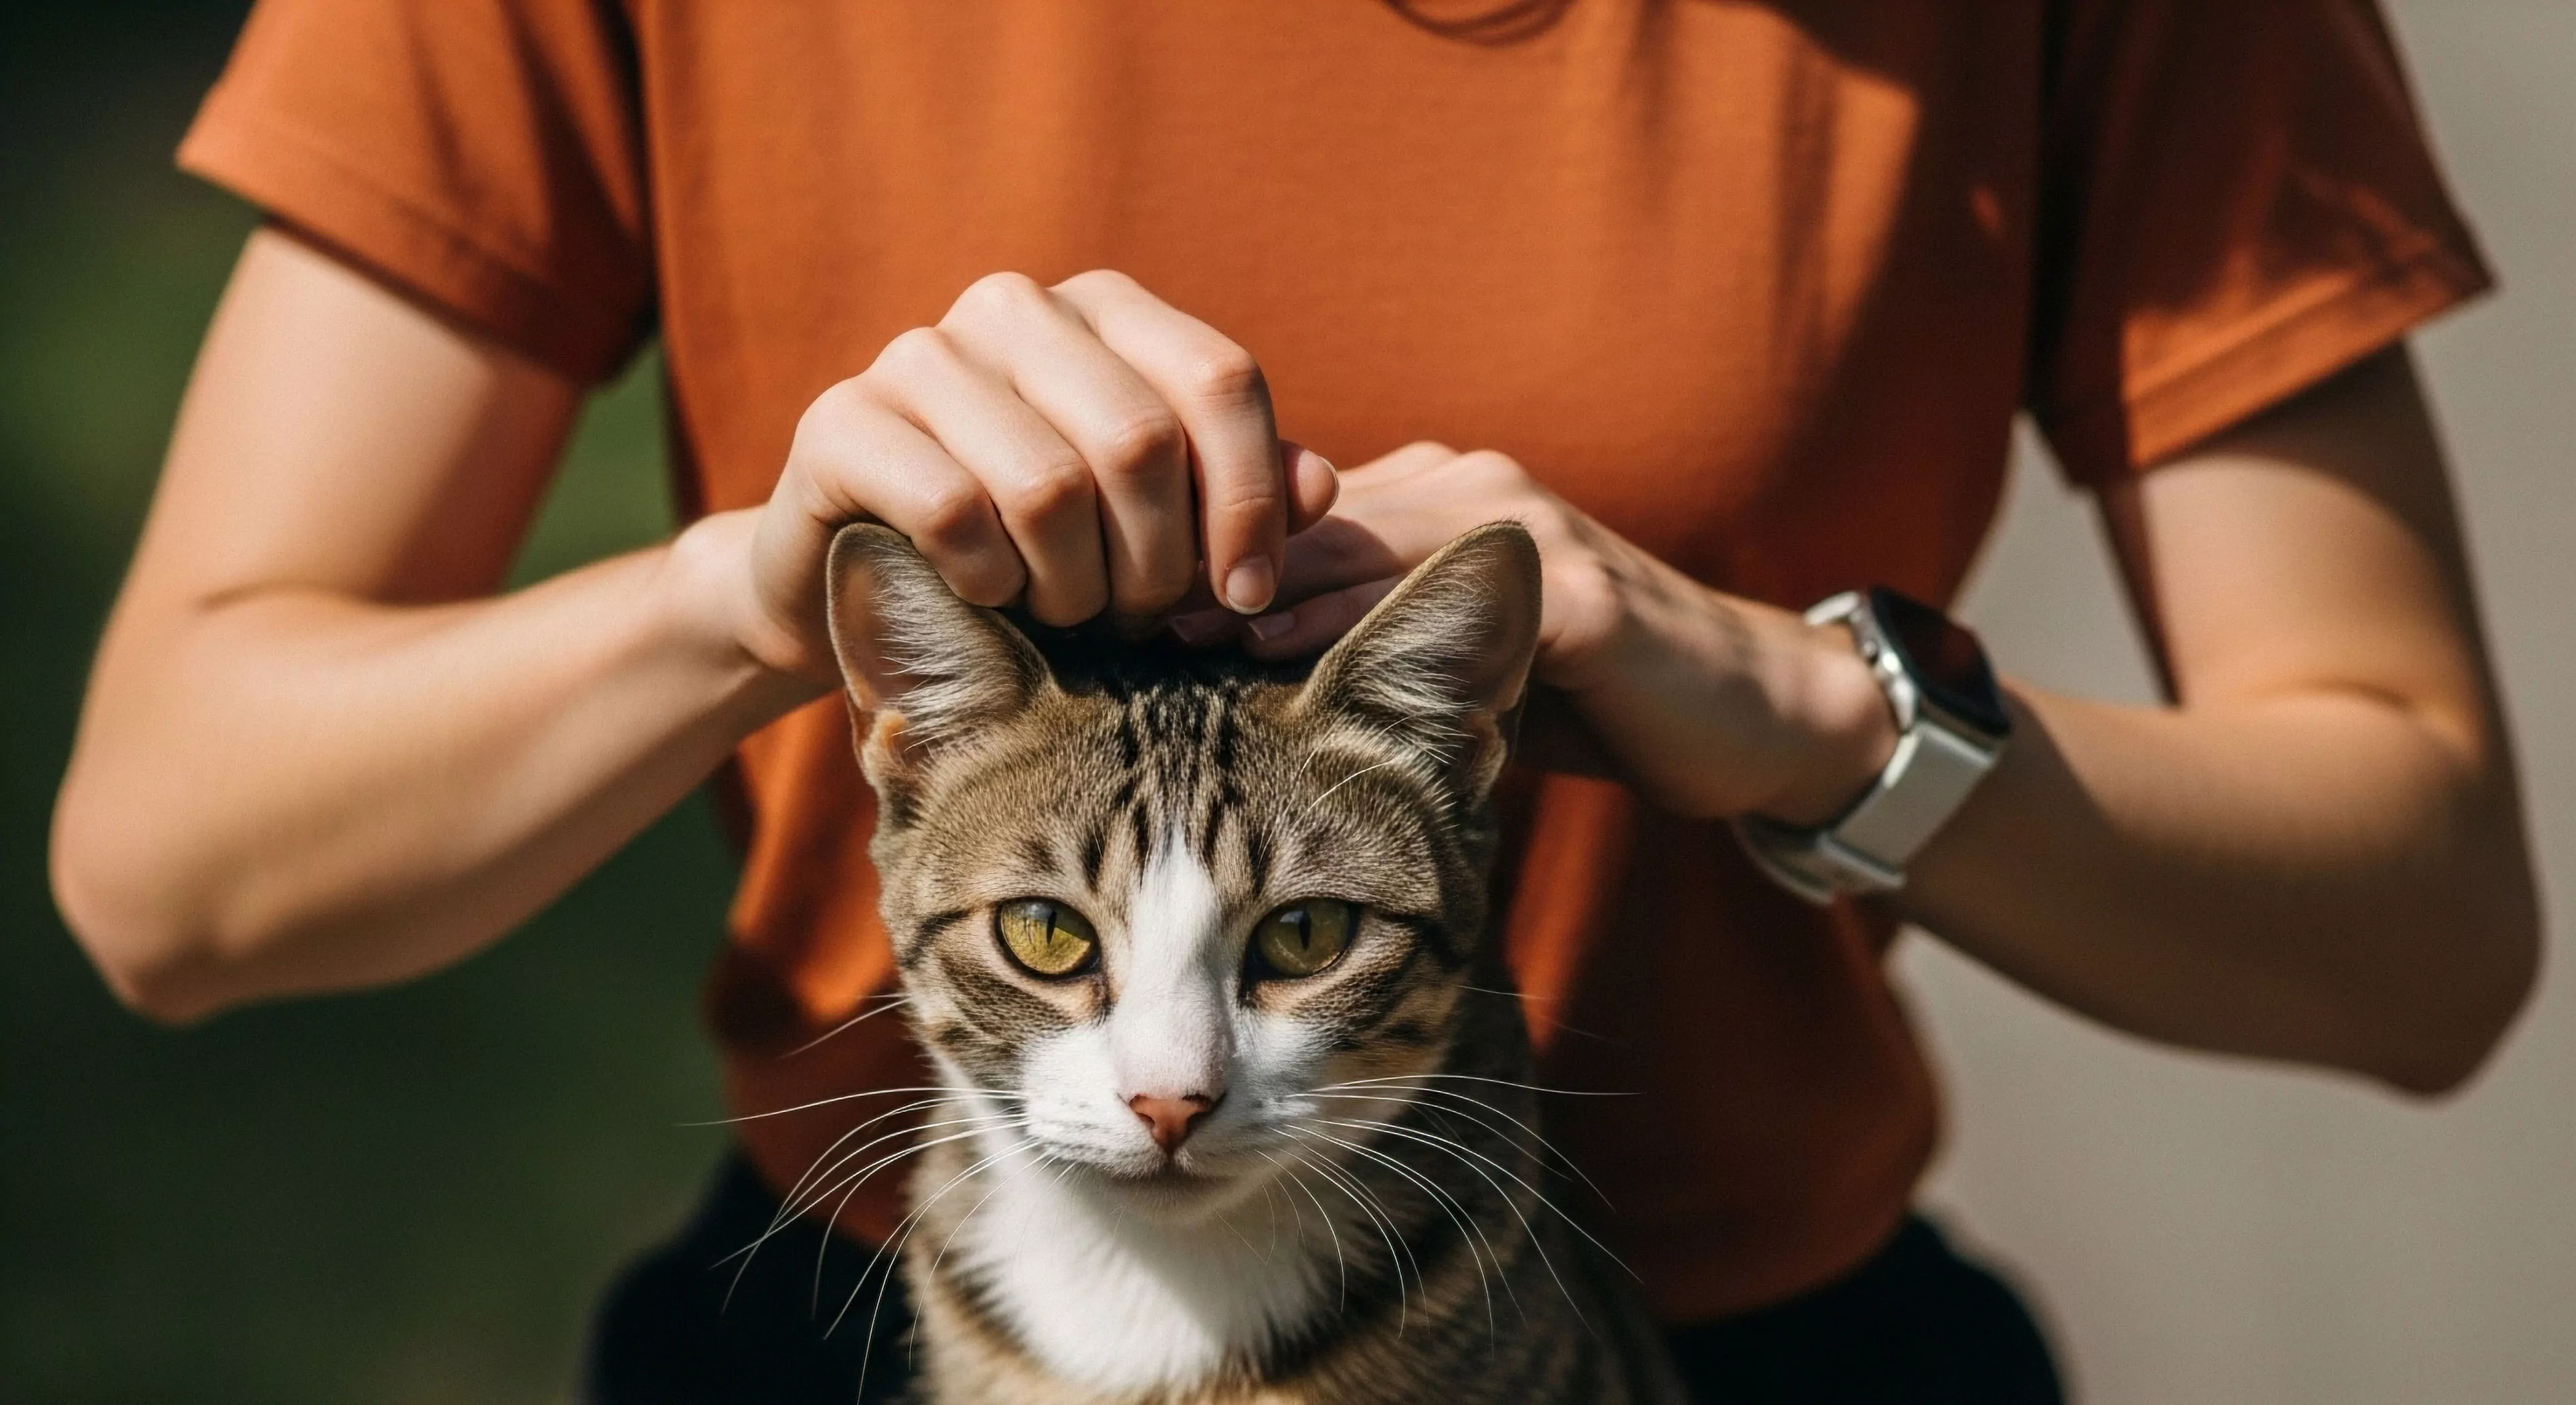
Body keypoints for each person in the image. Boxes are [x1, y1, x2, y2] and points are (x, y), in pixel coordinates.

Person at [50, 2, 2539, 1401]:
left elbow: (2425, 936)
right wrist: (740, 604)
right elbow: (169, 873)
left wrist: (1786, 706)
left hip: (1731, 1349)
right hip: (873, 1321)